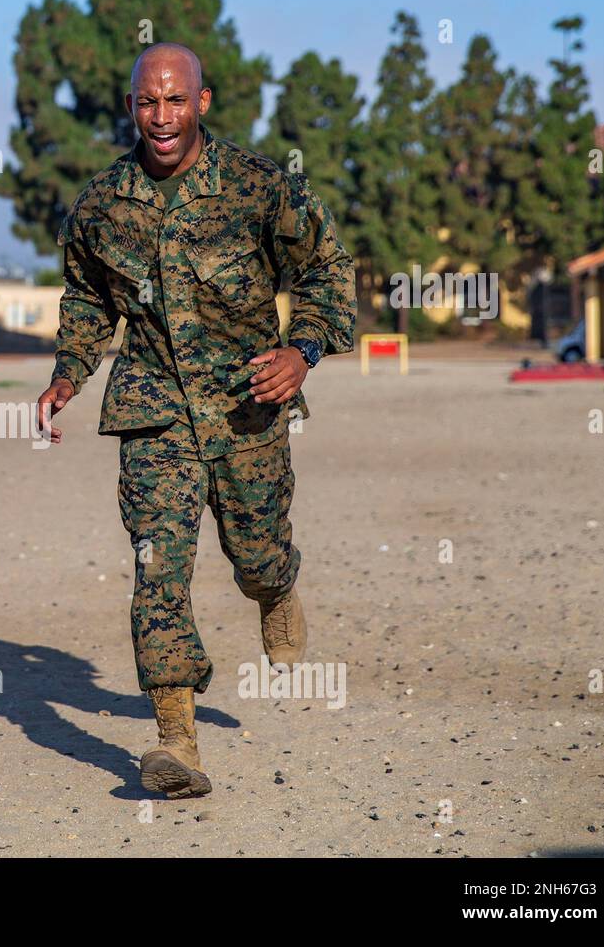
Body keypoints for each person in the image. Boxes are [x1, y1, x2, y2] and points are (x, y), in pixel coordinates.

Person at [36, 43, 356, 799]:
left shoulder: (258, 188)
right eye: (148, 102)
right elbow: (87, 297)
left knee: (256, 549)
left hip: (249, 404)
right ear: (131, 109)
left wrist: (303, 350)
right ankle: (176, 736)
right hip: (154, 412)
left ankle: (275, 589)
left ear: (202, 104)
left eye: (176, 100)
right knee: (158, 569)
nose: (162, 117)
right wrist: (67, 374)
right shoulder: (102, 203)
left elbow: (326, 269)